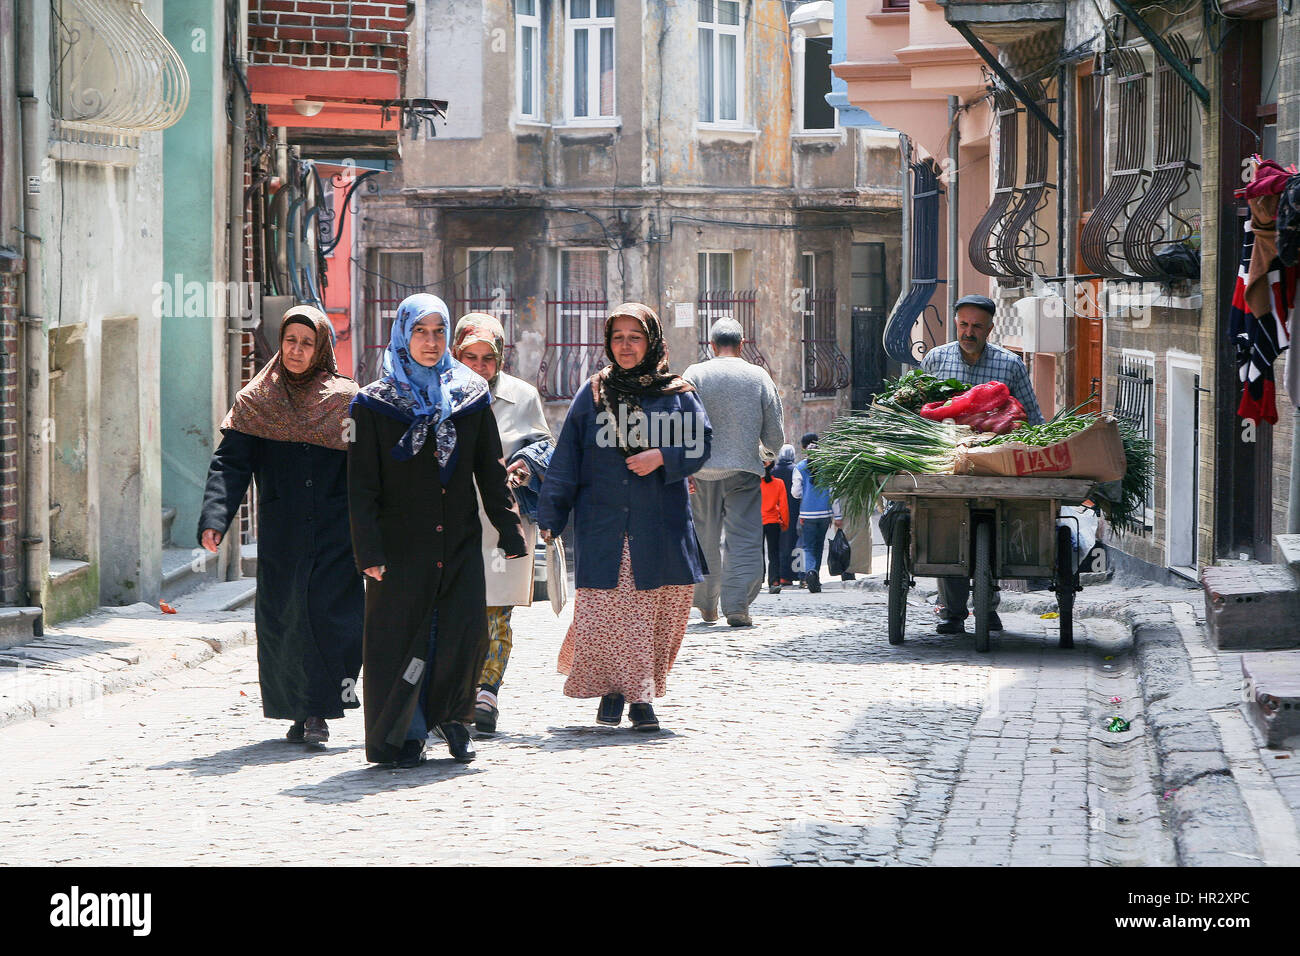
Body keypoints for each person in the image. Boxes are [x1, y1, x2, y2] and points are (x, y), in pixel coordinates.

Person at [348, 294, 525, 768]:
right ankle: (404, 731)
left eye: (439, 332)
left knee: (458, 636)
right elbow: (361, 486)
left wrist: (509, 530)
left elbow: (490, 469)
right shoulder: (373, 404)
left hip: (459, 542)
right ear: (404, 335)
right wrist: (368, 550)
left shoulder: (469, 397)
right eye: (420, 332)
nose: (430, 342)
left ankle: (453, 720)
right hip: (401, 548)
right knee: (404, 639)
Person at [537, 303, 711, 732]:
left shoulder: (678, 394)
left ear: (651, 341)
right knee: (608, 613)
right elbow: (567, 458)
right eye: (618, 337)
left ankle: (639, 695)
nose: (626, 346)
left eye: (635, 337)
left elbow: (702, 443)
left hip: (661, 525)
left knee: (656, 615)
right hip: (605, 525)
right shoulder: (593, 393)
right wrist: (551, 514)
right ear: (608, 342)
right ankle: (622, 694)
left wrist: (662, 457)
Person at [198, 306, 362, 747]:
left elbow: (368, 468)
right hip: (284, 535)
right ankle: (301, 708)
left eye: (307, 343)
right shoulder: (257, 401)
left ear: (321, 347)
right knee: (286, 621)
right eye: (290, 340)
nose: (296, 349)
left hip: (336, 533)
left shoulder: (346, 401)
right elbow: (230, 464)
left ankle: (320, 709)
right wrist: (216, 519)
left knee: (330, 620)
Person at [451, 312, 553, 735]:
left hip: (503, 522)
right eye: (469, 357)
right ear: (455, 356)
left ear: (500, 358)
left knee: (496, 613)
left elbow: (545, 445)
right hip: (452, 520)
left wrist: (526, 465)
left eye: (487, 358)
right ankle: (455, 693)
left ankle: (487, 693)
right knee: (457, 611)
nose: (478, 367)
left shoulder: (523, 396)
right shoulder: (437, 393)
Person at [921, 293, 1045, 635]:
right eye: (963, 325)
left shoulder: (1010, 365)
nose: (968, 332)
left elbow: (1033, 416)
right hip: (946, 461)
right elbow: (919, 410)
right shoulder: (935, 359)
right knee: (944, 533)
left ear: (990, 328)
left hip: (996, 461)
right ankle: (952, 611)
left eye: (977, 326)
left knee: (997, 529)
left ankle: (987, 607)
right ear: (955, 325)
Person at [681, 317, 785, 627]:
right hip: (743, 470)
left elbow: (680, 421)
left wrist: (682, 463)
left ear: (711, 346)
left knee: (704, 537)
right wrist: (767, 454)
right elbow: (775, 434)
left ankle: (706, 605)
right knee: (744, 539)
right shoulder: (758, 376)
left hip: (701, 470)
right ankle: (737, 605)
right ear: (742, 345)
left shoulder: (694, 373)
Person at [791, 432, 842, 594]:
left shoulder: (799, 467)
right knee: (819, 546)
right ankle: (816, 577)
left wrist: (806, 493)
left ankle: (810, 572)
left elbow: (795, 493)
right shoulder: (828, 465)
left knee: (808, 547)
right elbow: (834, 493)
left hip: (807, 514)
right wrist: (838, 516)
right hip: (825, 514)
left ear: (803, 447)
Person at [771, 443, 800, 585]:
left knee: (778, 545)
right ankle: (792, 575)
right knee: (793, 543)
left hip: (775, 511)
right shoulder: (796, 469)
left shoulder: (773, 471)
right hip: (794, 511)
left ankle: (780, 576)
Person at [760, 459, 789, 594]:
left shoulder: (754, 484)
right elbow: (783, 505)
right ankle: (774, 581)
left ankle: (757, 580)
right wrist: (785, 522)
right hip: (773, 522)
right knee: (774, 553)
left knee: (757, 553)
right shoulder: (779, 483)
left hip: (756, 522)